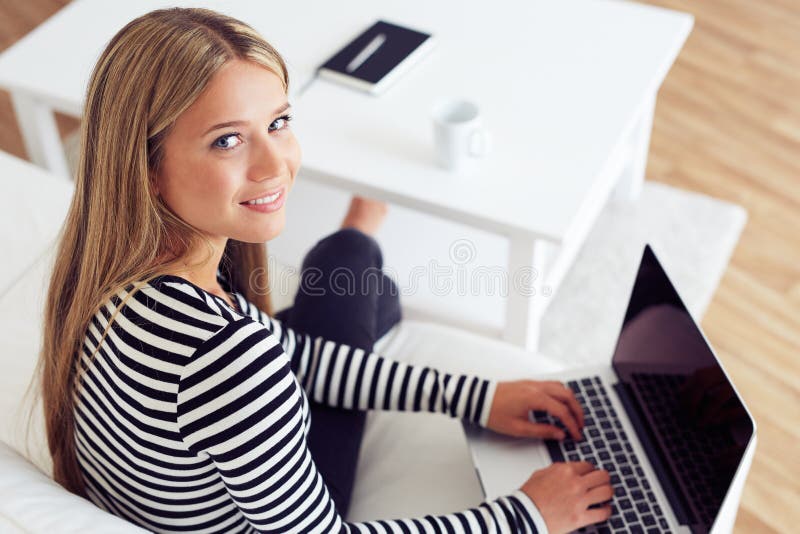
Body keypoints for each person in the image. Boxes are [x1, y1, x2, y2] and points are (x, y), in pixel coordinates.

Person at [34, 7, 613, 533]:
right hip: (271, 511)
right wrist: (527, 514)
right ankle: (361, 245)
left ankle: (360, 250)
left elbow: (292, 354)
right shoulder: (228, 360)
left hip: (214, 479)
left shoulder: (110, 274)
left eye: (279, 123)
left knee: (353, 283)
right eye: (228, 140)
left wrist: (477, 399)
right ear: (148, 167)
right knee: (353, 276)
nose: (276, 164)